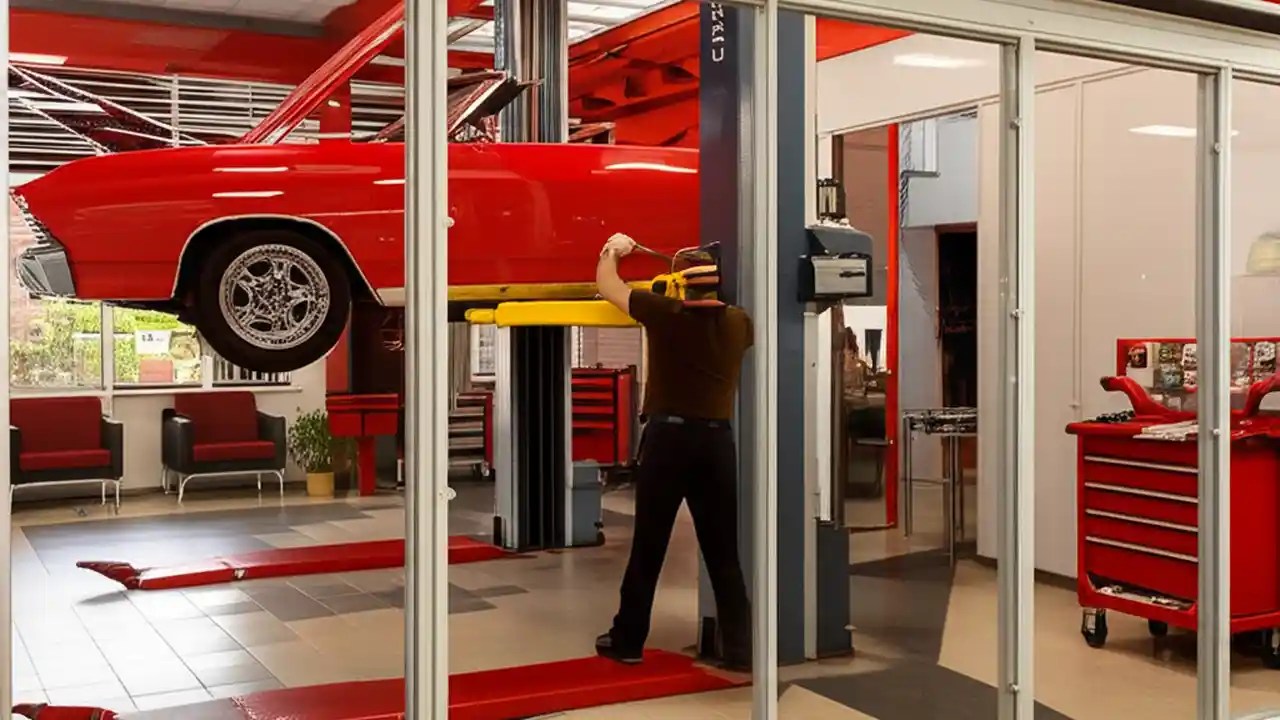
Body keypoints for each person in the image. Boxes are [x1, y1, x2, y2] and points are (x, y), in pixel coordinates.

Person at [591, 232, 753, 672]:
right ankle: (741, 649)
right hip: (717, 443)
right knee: (723, 553)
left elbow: (608, 286)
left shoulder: (664, 313)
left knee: (649, 546)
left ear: (681, 284)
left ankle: (627, 640)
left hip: (668, 441)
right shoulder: (739, 324)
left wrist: (614, 250)